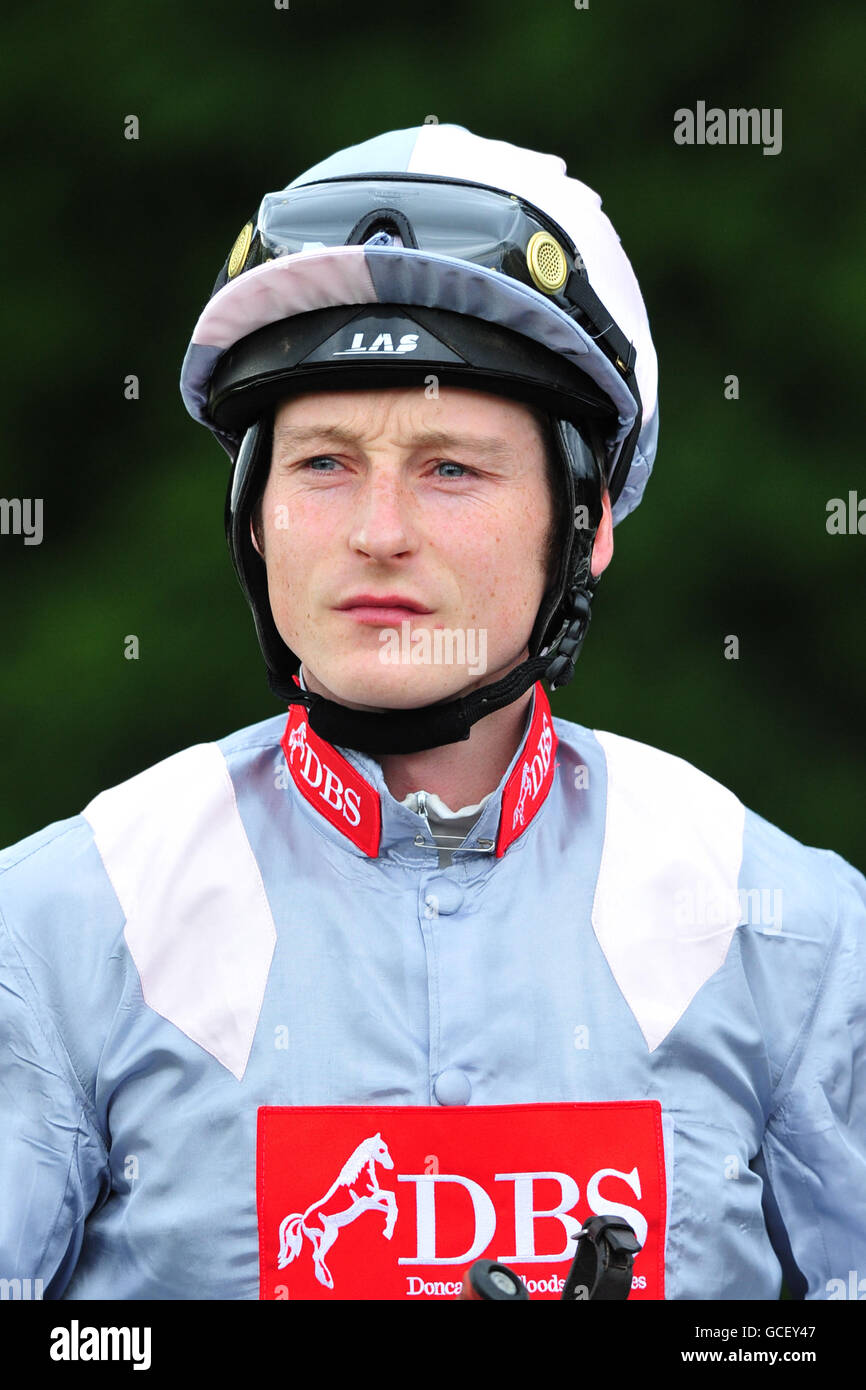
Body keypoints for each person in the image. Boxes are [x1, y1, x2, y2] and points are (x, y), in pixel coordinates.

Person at [1, 124, 863, 1303]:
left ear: (586, 521)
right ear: (252, 514)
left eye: (450, 467)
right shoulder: (52, 926)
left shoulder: (792, 928)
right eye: (322, 464)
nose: (377, 533)